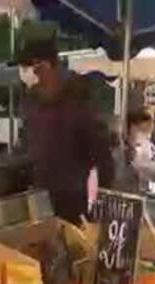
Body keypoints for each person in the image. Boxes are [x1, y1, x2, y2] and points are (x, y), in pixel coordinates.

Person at [17, 36, 114, 225]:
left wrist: (100, 209)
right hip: (38, 204)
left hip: (74, 208)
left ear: (44, 67)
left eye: (27, 67)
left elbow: (104, 161)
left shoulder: (80, 101)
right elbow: (27, 147)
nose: (24, 74)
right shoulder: (32, 104)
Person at [125, 108, 155, 195]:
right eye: (149, 120)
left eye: (153, 121)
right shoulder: (136, 142)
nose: (152, 124)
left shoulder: (148, 143)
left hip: (146, 192)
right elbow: (135, 165)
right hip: (135, 191)